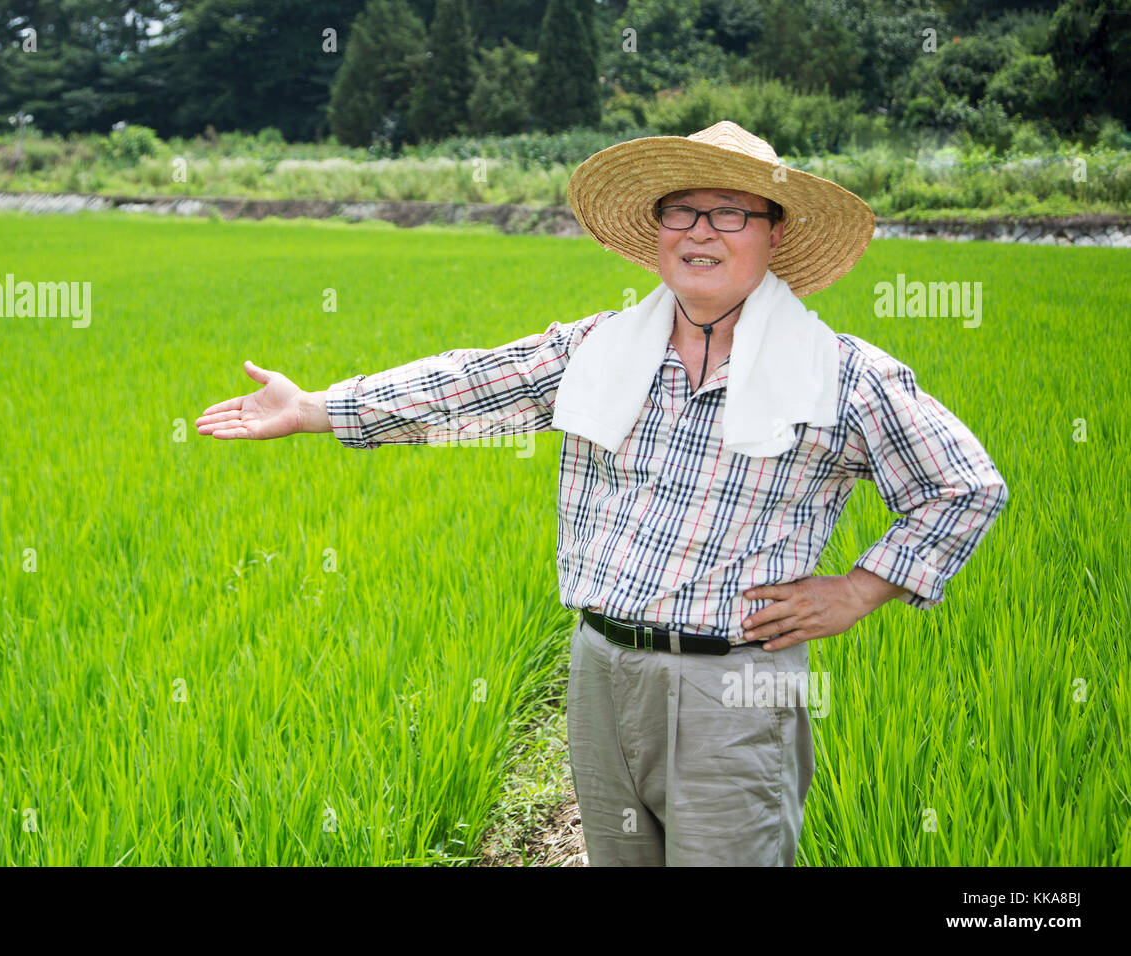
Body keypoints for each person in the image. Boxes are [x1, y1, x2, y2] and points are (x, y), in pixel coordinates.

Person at [194, 121, 1008, 867]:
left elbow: (964, 485)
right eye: (680, 211)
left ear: (775, 232)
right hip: (600, 669)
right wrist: (315, 409)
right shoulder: (601, 348)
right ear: (656, 233)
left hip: (733, 687)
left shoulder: (843, 375)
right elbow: (473, 385)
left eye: (728, 213)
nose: (699, 232)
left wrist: (863, 588)